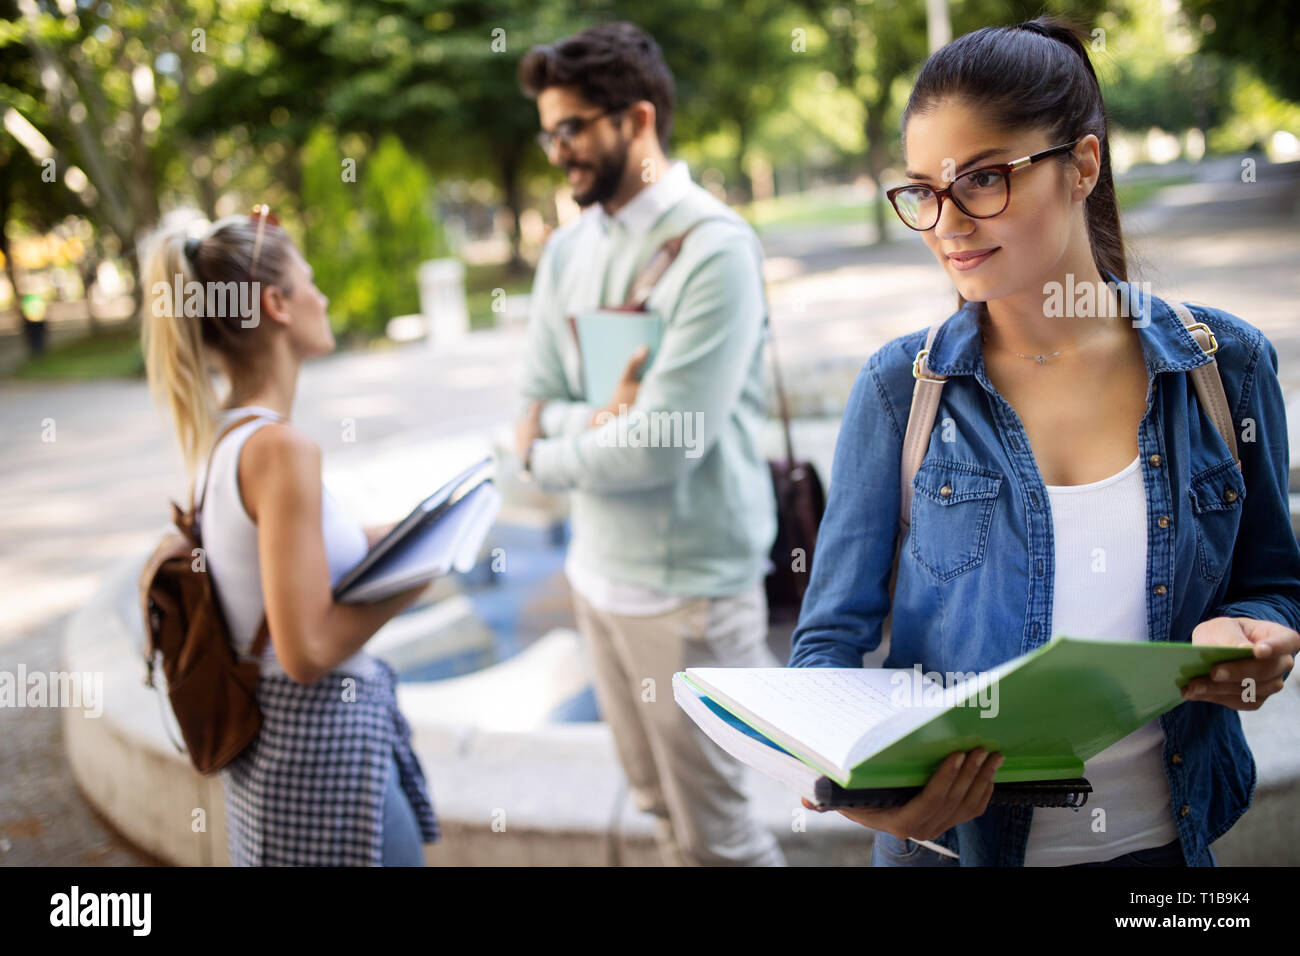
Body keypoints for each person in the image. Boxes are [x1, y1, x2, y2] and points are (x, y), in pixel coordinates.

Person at [789, 16, 1300, 867]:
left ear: (1084, 166)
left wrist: (1256, 638)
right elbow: (827, 647)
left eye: (984, 179)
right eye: (923, 190)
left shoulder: (1227, 365)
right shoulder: (900, 390)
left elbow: (1274, 583)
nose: (947, 222)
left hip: (1164, 855)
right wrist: (865, 797)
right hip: (952, 854)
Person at [513, 22, 785, 866]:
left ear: (637, 120)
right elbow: (534, 399)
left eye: (574, 128)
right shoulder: (567, 248)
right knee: (655, 810)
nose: (558, 151)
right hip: (596, 578)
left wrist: (541, 453)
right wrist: (591, 421)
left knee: (722, 839)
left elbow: (662, 449)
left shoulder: (715, 250)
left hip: (690, 596)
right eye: (548, 131)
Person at [140, 208, 439, 866]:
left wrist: (408, 529)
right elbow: (306, 652)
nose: (323, 296)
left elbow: (273, 563)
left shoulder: (225, 439)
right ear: (277, 303)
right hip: (323, 757)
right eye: (310, 281)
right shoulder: (282, 450)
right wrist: (427, 567)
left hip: (272, 765)